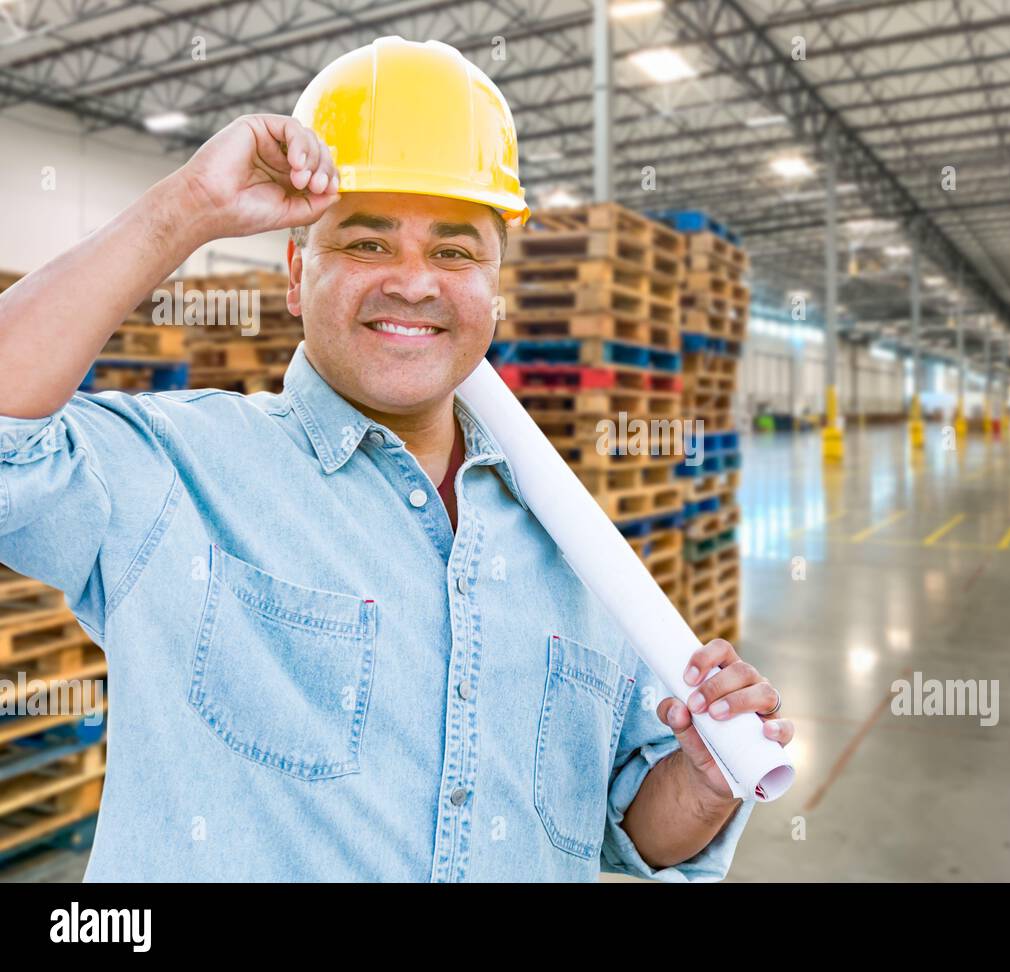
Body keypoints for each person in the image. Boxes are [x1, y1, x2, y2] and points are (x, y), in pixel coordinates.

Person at [0, 36, 792, 881]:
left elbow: (627, 826)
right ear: (298, 266)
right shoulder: (177, 476)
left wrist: (704, 779)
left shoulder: (572, 543)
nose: (414, 283)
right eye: (368, 244)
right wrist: (185, 207)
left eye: (454, 252)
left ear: (496, 287)